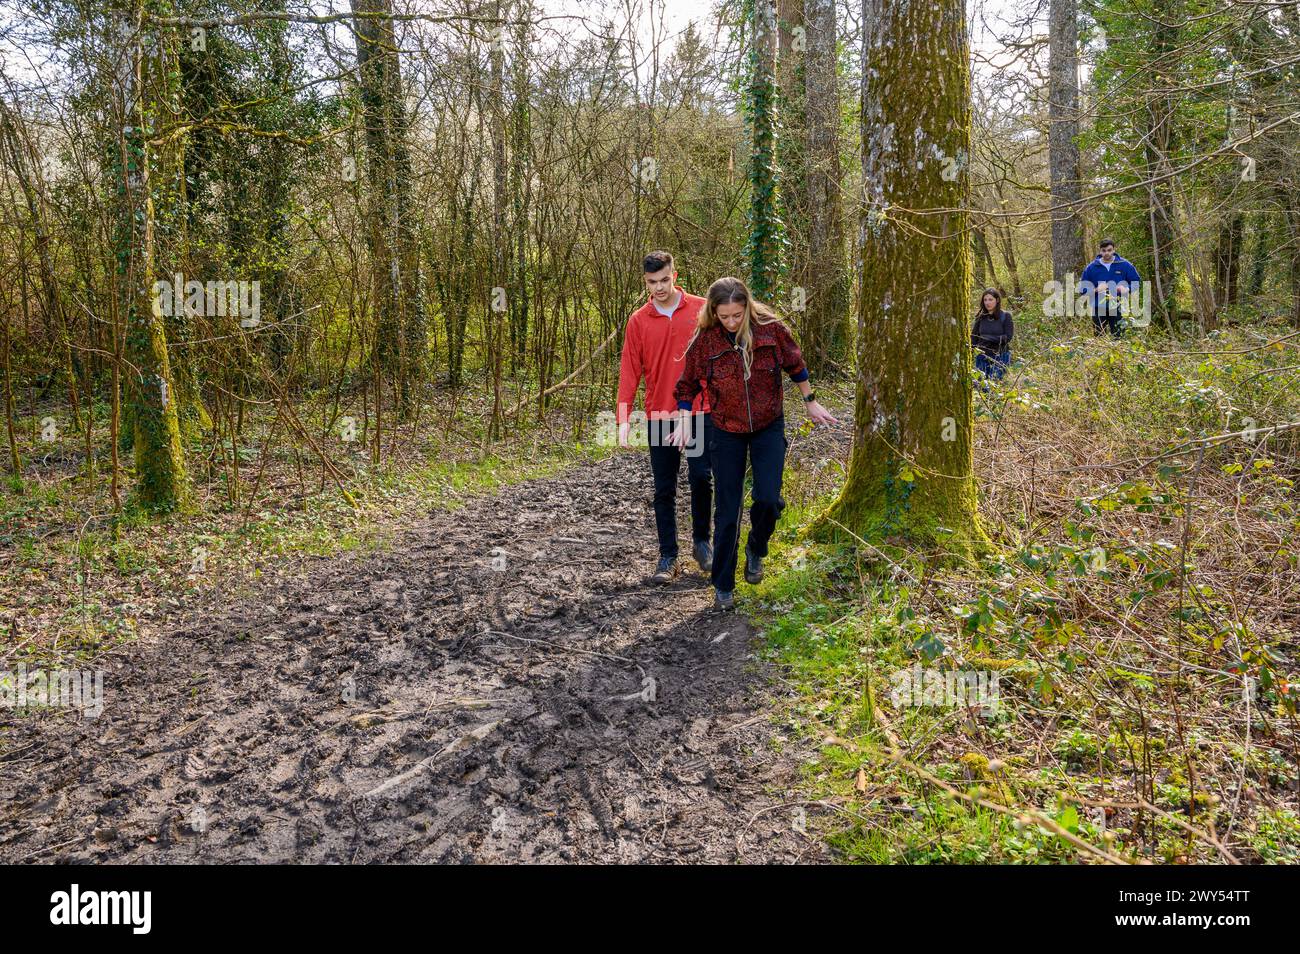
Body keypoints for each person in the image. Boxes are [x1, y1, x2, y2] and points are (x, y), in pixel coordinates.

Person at [671, 277, 837, 612]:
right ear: (714, 313)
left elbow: (795, 364)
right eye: (724, 316)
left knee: (767, 499)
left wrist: (810, 400)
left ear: (747, 307)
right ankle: (723, 586)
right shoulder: (706, 340)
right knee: (728, 509)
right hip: (725, 429)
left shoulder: (771, 329)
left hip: (767, 426)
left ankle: (756, 548)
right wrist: (685, 420)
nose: (731, 322)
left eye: (737, 314)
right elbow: (687, 385)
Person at [616, 251, 713, 584]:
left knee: (702, 477)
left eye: (663, 280)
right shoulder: (638, 320)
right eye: (651, 282)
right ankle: (667, 557)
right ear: (645, 281)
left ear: (675, 275)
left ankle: (702, 542)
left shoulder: (703, 309)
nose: (658, 287)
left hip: (701, 410)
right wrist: (624, 419)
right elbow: (629, 370)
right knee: (663, 489)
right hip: (659, 413)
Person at [1079, 238, 1141, 337]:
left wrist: (1126, 289)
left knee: (1119, 337)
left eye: (1109, 250)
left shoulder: (1124, 265)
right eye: (1104, 251)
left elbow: (1136, 282)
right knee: (1099, 337)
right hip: (1098, 307)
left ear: (1114, 250)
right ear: (1100, 251)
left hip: (1118, 305)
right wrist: (1096, 289)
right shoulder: (1091, 267)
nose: (1106, 253)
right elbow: (1082, 290)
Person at [971, 288, 1014, 382]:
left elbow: (1008, 337)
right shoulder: (980, 317)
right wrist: (970, 352)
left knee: (995, 384)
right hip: (982, 356)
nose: (987, 302)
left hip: (1000, 356)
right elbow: (974, 337)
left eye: (990, 299)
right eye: (985, 300)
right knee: (982, 385)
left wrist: (986, 338)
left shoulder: (1005, 316)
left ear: (997, 300)